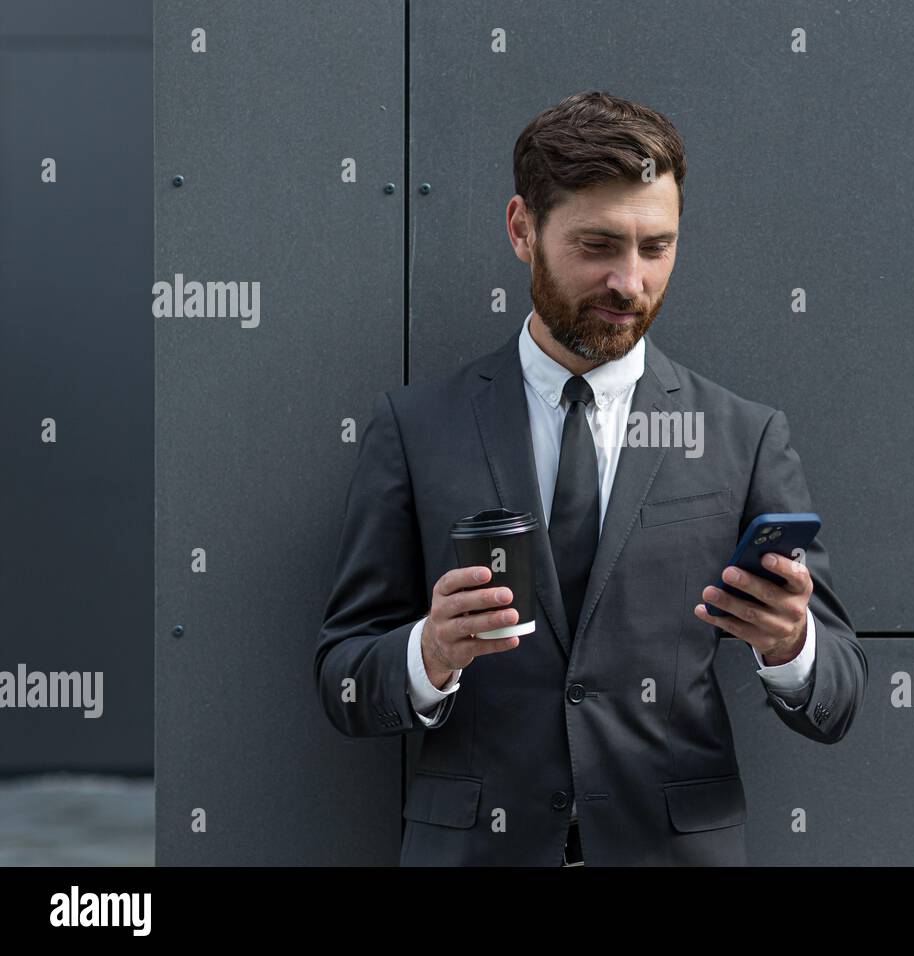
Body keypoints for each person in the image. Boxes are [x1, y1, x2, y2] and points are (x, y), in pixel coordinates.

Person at [315, 90, 868, 866]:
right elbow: (342, 678)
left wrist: (792, 646)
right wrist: (429, 655)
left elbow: (837, 697)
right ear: (522, 230)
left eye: (656, 247)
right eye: (598, 245)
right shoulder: (416, 429)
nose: (630, 282)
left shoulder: (744, 435)